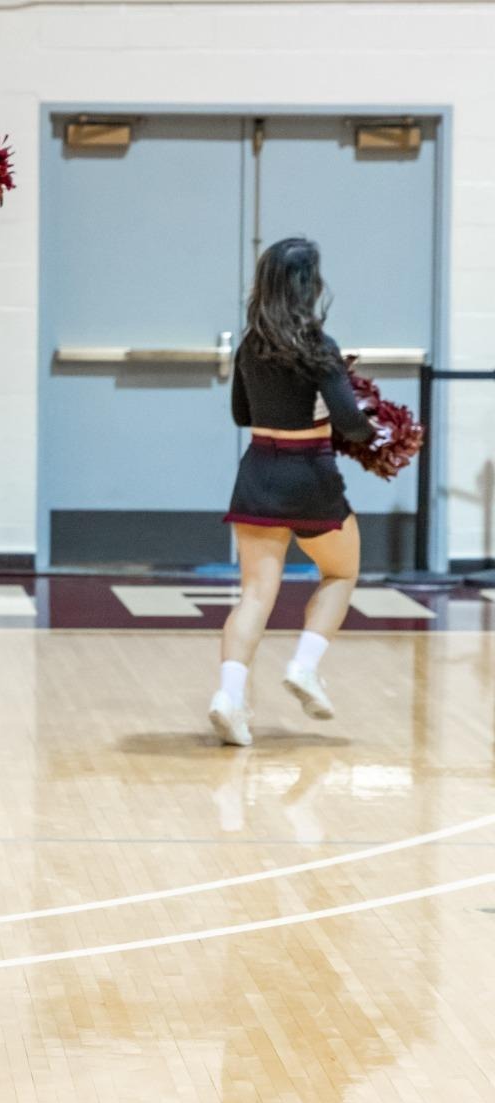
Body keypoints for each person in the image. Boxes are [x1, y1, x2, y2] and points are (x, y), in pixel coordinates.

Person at [210, 237, 382, 748]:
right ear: (310, 285)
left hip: (259, 471)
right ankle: (304, 666)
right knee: (341, 572)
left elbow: (241, 415)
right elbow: (350, 422)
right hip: (309, 474)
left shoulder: (250, 345)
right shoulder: (318, 346)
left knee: (254, 595)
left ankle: (228, 697)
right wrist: (373, 427)